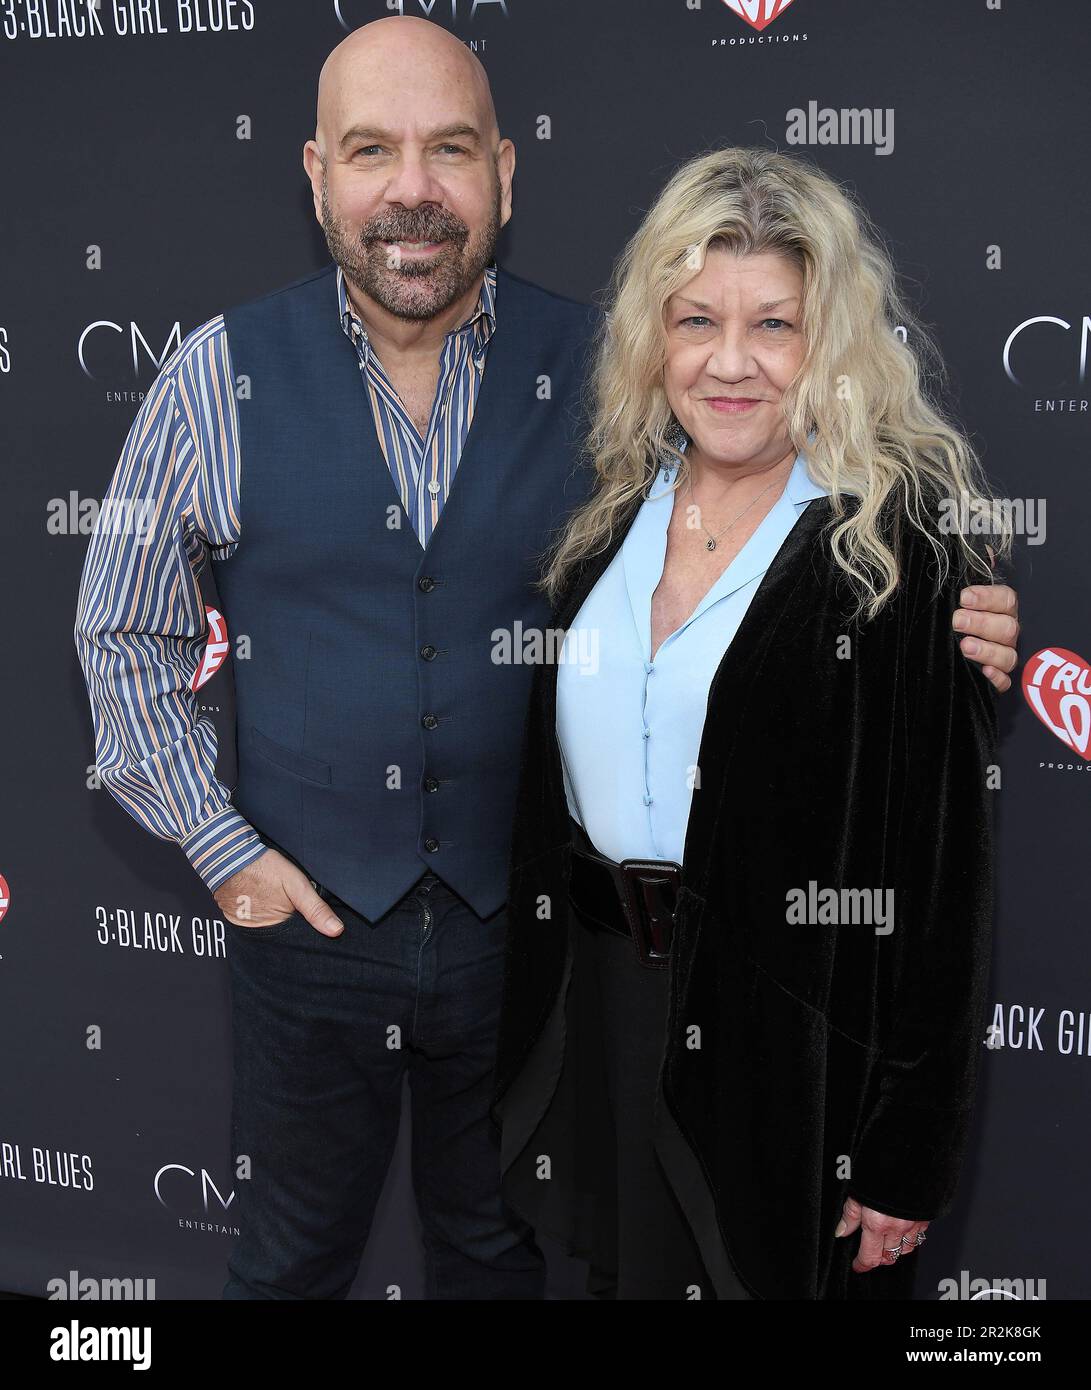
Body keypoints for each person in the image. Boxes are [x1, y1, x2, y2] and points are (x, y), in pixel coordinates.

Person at [72, 18, 1019, 1301]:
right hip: (306, 941)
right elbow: (121, 625)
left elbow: (787, 553)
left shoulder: (608, 377)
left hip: (528, 955)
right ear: (314, 175)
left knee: (502, 1257)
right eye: (371, 151)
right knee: (286, 1257)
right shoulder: (211, 379)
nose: (412, 188)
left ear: (505, 174)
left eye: (449, 149)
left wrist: (941, 618)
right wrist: (222, 851)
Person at [491, 146, 1014, 1301]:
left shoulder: (895, 554)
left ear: (826, 345)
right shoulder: (605, 524)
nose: (729, 364)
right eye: (693, 321)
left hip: (783, 1051)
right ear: (650, 337)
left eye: (773, 326)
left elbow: (939, 896)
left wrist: (900, 1151)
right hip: (606, 1014)